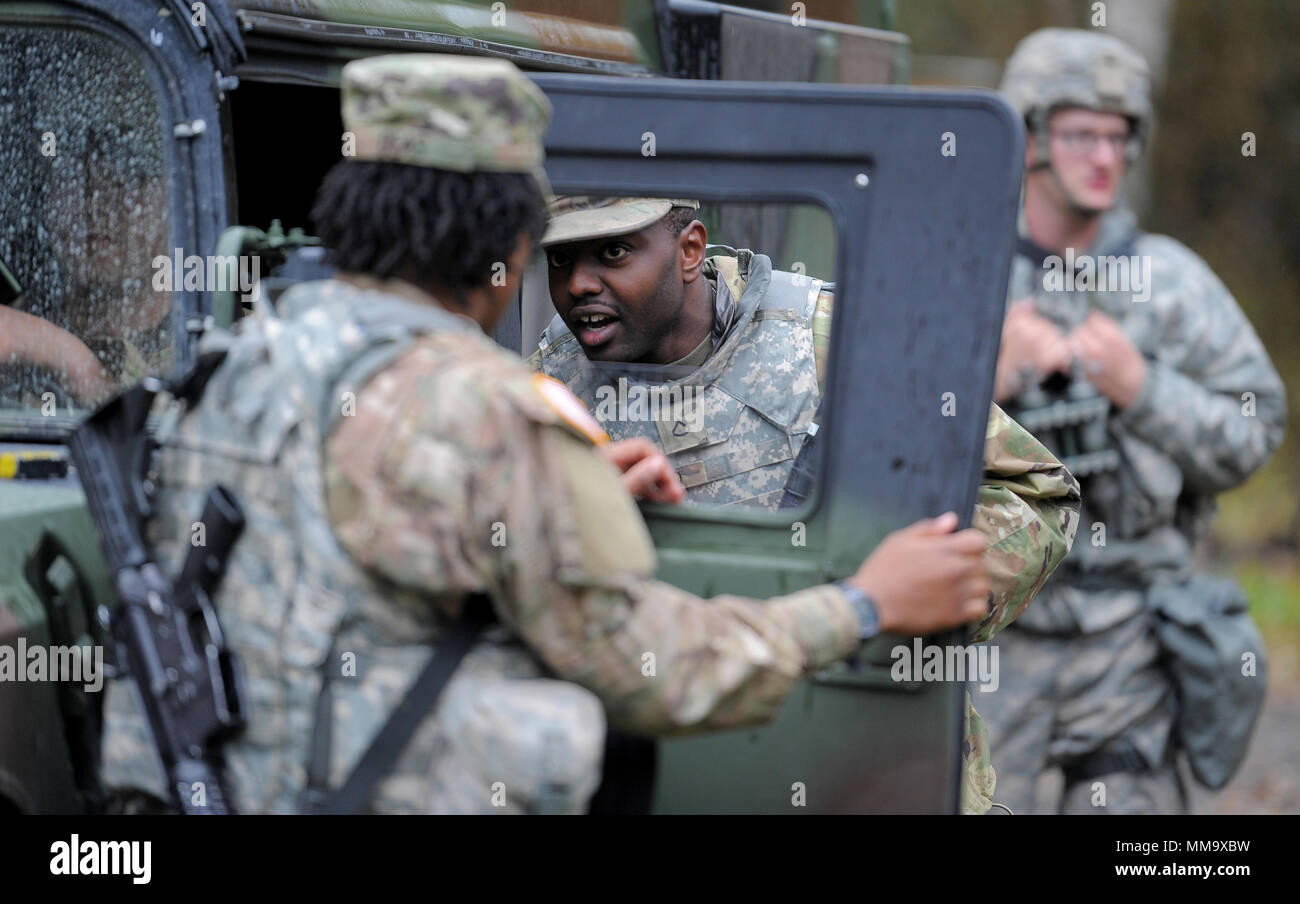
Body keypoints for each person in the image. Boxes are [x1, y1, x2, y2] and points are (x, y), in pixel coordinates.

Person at [99, 53, 1002, 815]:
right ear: (508, 242)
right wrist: (864, 605)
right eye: (555, 250)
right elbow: (660, 672)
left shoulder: (242, 357)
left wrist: (570, 488)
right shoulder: (495, 412)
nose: (572, 283)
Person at [531, 196, 1083, 812]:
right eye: (560, 259)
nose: (579, 284)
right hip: (670, 761)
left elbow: (1036, 492)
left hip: (857, 753)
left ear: (689, 250)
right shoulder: (553, 379)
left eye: (613, 252)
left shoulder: (835, 337)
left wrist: (895, 601)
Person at [980, 27, 1286, 814]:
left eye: (1120, 138)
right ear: (1028, 139)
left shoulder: (1172, 286)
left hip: (1129, 641)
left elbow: (1257, 431)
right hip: (990, 634)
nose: (1106, 157)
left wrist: (1144, 388)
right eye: (1082, 134)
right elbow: (877, 448)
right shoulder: (963, 270)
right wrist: (993, 379)